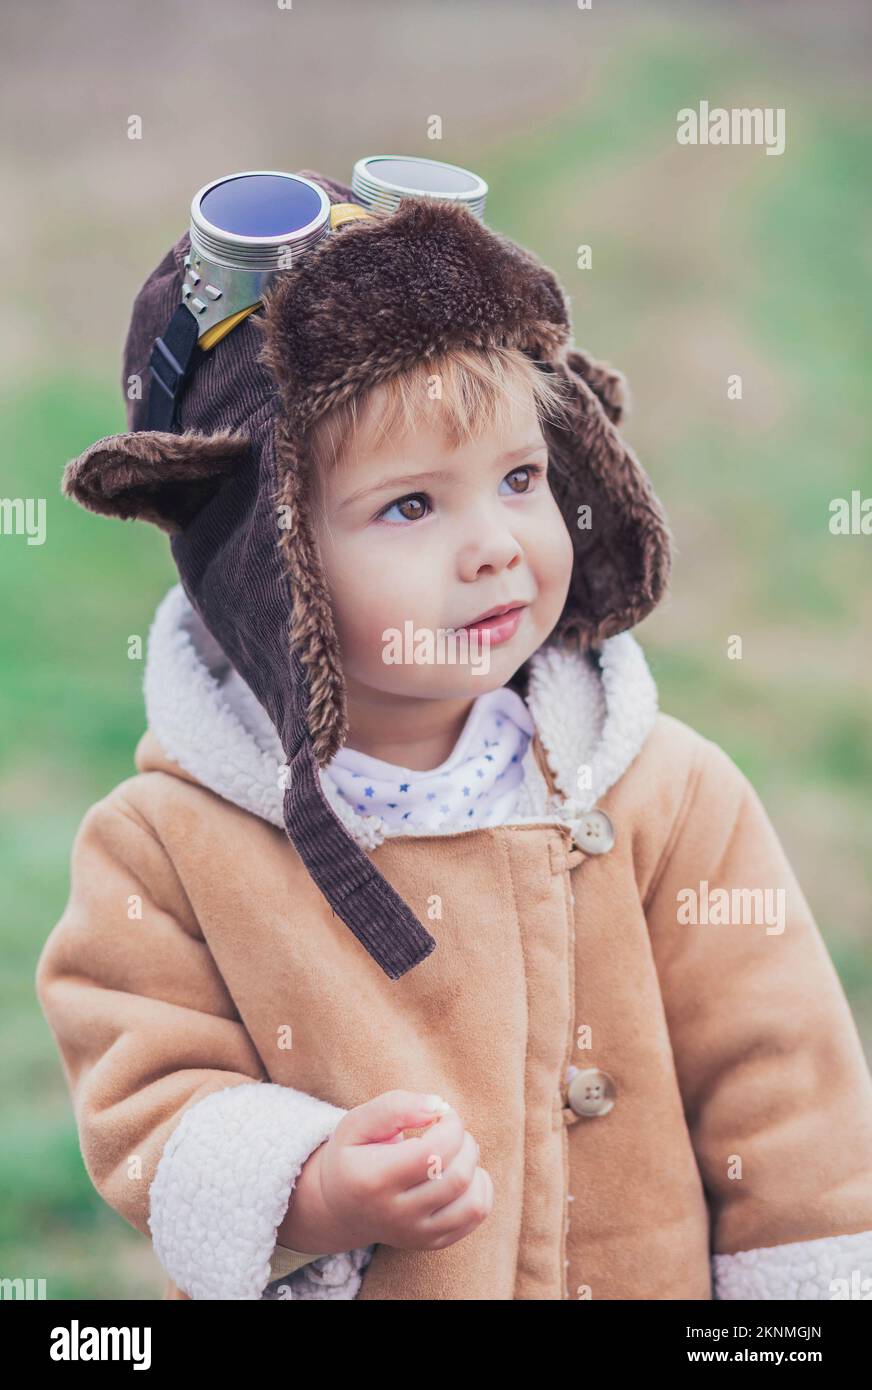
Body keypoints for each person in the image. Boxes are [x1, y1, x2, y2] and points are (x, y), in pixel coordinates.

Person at [36, 170, 872, 1301]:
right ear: (265, 564)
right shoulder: (169, 845)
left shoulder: (665, 798)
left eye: (519, 478)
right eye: (411, 506)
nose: (493, 544)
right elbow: (148, 1092)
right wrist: (310, 1185)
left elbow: (788, 1094)